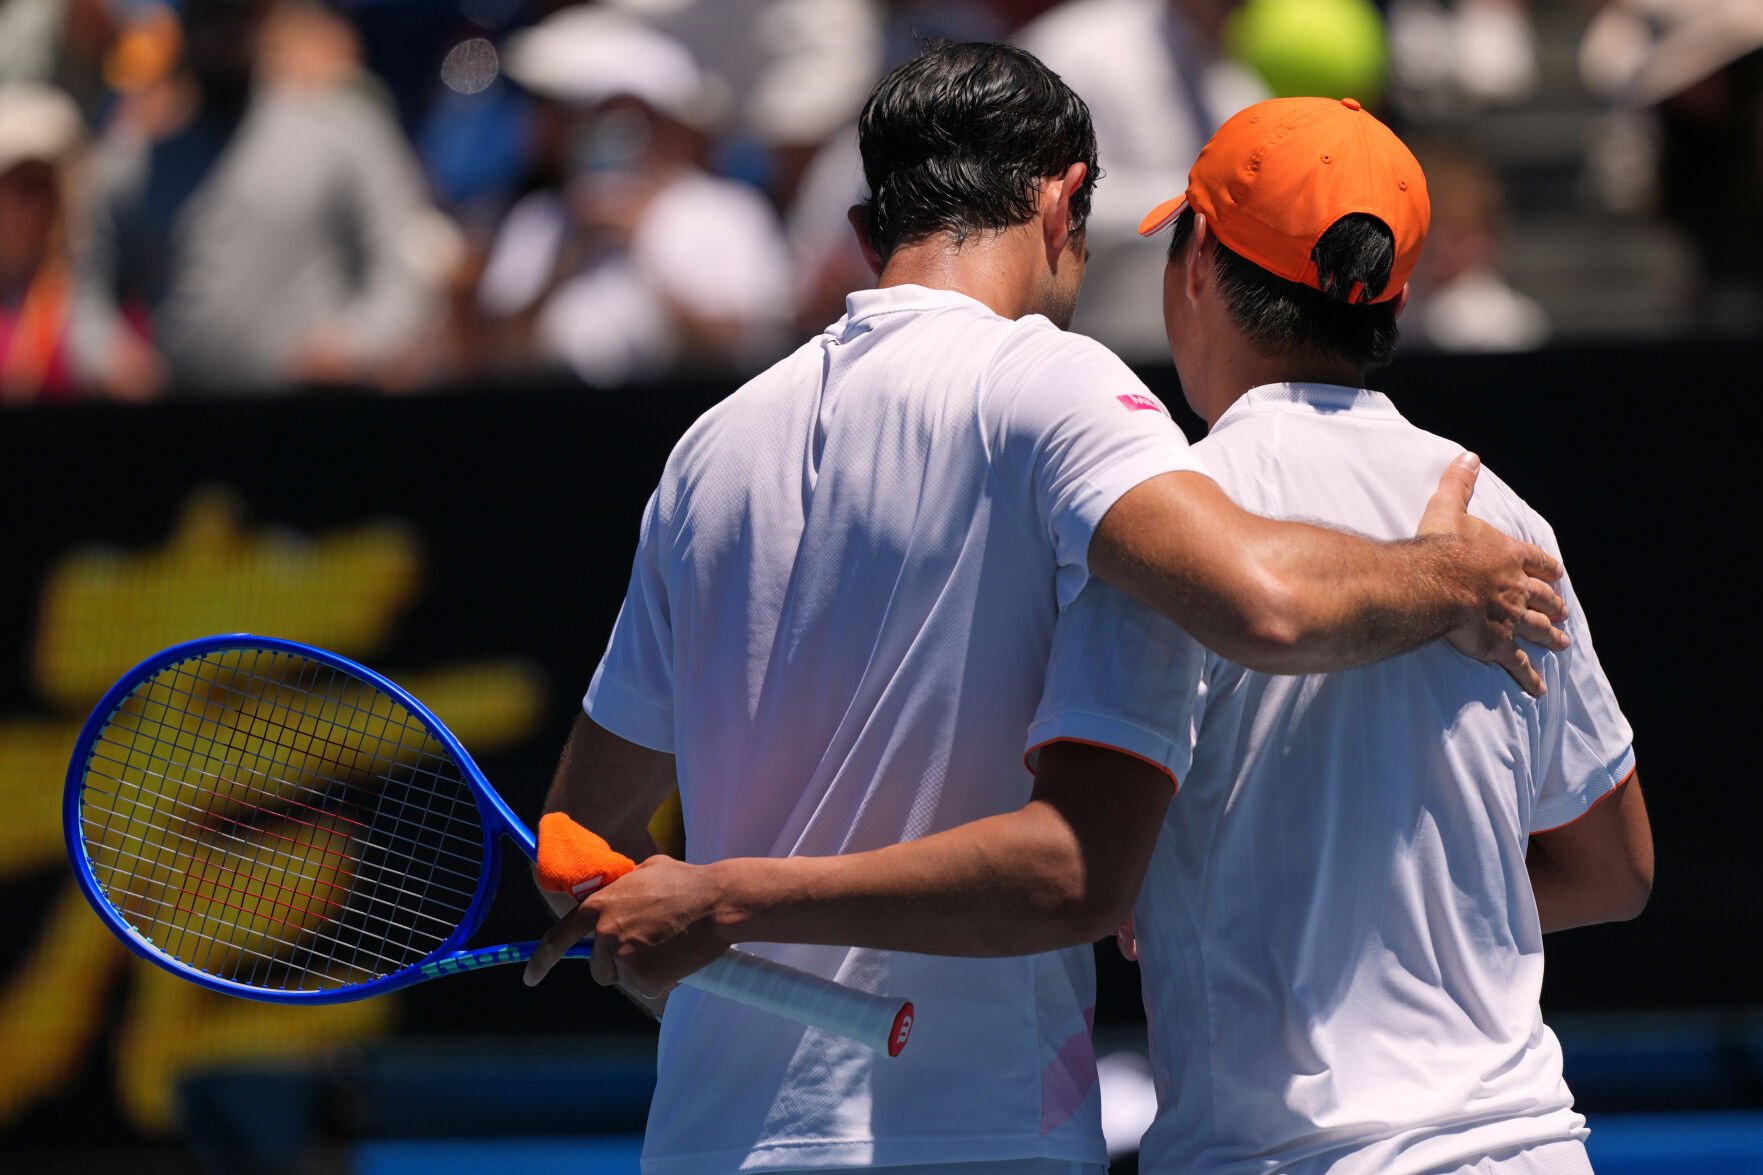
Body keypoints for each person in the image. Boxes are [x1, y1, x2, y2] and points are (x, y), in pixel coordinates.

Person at [525, 45, 1567, 1175]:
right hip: (975, 1139)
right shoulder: (1051, 382)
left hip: (708, 1141)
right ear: (1064, 201)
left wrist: (708, 930)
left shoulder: (709, 447)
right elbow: (1260, 605)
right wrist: (1453, 577)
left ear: (868, 222)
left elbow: (577, 847)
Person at [1054, 96, 1651, 1171]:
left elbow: (1076, 869)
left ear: (1194, 263)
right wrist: (1429, 917)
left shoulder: (1160, 523)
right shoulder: (1502, 519)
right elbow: (1613, 870)